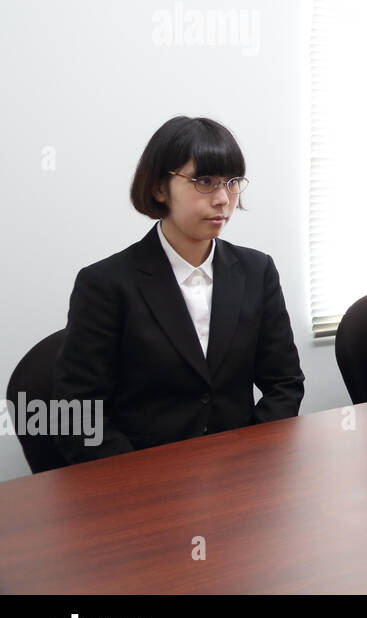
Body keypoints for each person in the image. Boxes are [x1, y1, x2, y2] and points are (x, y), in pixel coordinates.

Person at [53, 116, 304, 464]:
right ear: (159, 188)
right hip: (144, 478)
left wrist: (251, 456)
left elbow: (284, 383)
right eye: (204, 182)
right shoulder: (106, 284)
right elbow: (77, 413)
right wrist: (140, 480)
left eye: (232, 183)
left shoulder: (256, 271)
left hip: (241, 470)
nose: (222, 199)